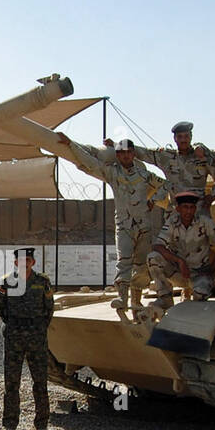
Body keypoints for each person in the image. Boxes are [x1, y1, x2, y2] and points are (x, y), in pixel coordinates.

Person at [57, 133, 171, 311]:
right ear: (117, 155)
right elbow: (90, 162)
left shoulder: (144, 174)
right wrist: (71, 145)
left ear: (133, 154)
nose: (126, 155)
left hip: (143, 225)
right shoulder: (112, 173)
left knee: (141, 264)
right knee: (124, 260)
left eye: (129, 152)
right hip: (124, 225)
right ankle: (122, 298)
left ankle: (136, 299)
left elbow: (165, 185)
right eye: (122, 153)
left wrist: (153, 199)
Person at [0, 248, 54, 430]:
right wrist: (15, 325)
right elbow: (2, 309)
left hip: (36, 337)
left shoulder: (42, 281)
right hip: (14, 337)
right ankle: (9, 424)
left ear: (33, 262)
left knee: (40, 382)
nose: (24, 263)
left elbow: (49, 309)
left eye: (28, 260)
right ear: (15, 263)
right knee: (11, 382)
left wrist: (38, 327)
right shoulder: (7, 281)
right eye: (21, 261)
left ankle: (42, 426)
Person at [147, 191, 215, 309]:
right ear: (178, 209)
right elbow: (158, 246)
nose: (189, 211)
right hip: (178, 272)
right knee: (153, 257)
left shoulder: (204, 222)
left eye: (192, 207)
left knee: (200, 295)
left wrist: (211, 270)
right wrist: (179, 261)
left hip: (199, 274)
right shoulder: (172, 222)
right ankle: (165, 299)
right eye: (185, 207)